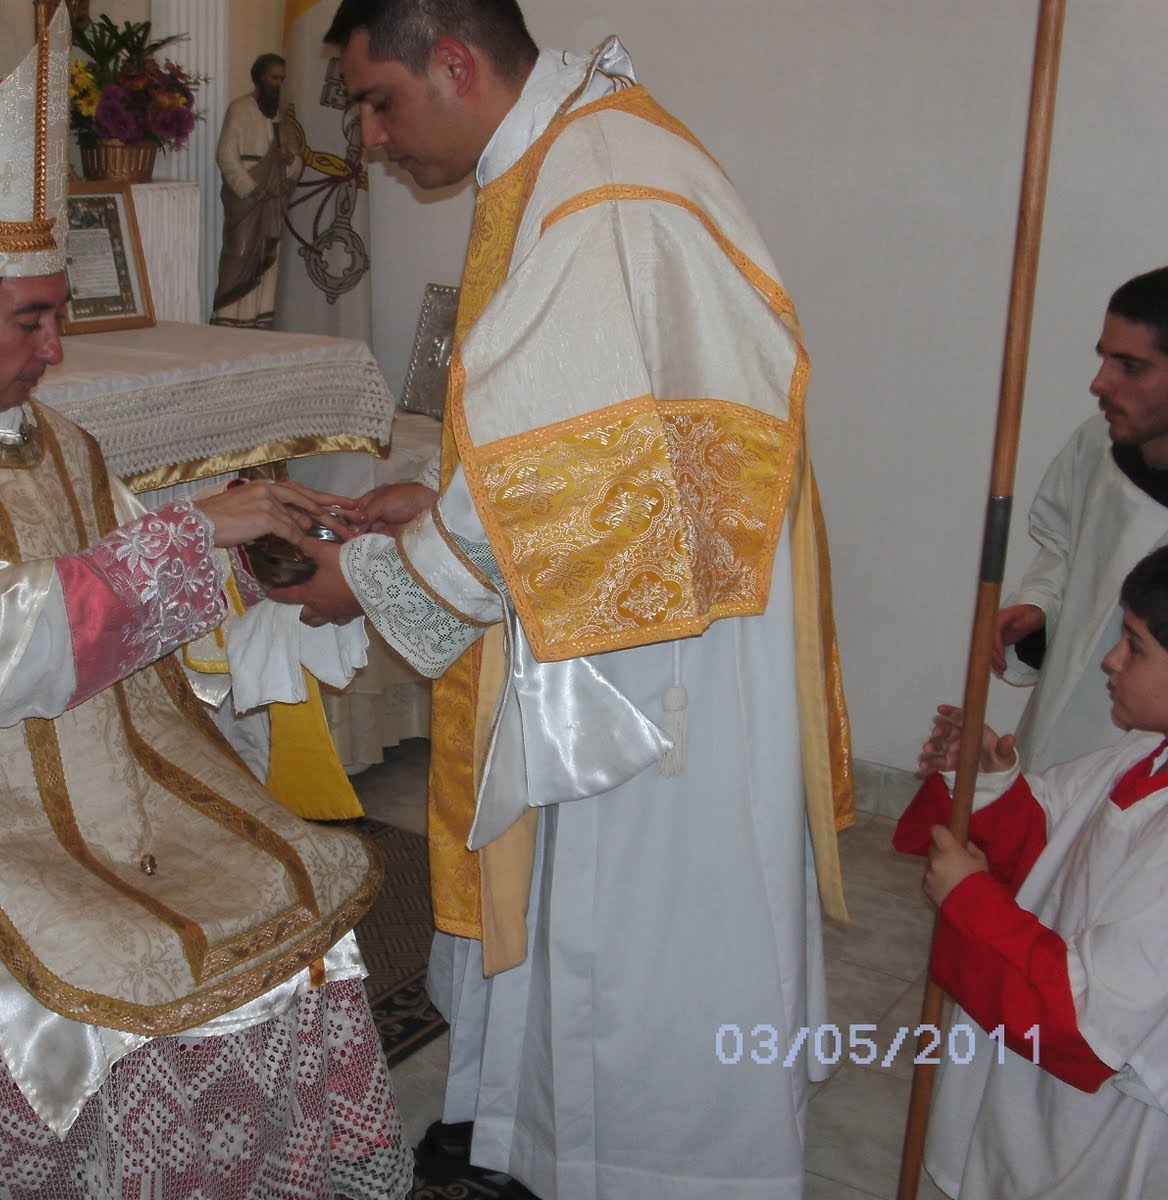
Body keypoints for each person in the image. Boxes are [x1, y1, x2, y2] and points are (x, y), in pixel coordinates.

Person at [0, 9, 411, 1198]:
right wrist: (195, 528)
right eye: (32, 319)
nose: (57, 347)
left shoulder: (52, 442)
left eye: (58, 310)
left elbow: (147, 607)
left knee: (288, 899)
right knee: (121, 981)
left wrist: (273, 579)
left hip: (106, 771)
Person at [274, 2, 855, 1197]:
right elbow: (549, 422)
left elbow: (572, 465)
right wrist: (428, 500)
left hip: (649, 653)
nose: (371, 139)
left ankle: (642, 1164)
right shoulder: (566, 152)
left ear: (454, 60)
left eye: (378, 99)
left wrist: (375, 584)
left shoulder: (597, 185)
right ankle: (515, 1124)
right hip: (618, 601)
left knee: (629, 924)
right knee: (552, 894)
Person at [896, 544, 1168, 1199]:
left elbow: (1086, 1019)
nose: (1110, 659)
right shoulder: (1137, 761)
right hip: (1042, 1082)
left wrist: (970, 897)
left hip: (1108, 1116)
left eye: (1134, 646)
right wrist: (984, 779)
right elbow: (1052, 846)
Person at [992, 267, 1168, 773]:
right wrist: (1037, 607)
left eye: (1130, 367)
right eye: (1105, 358)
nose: (1100, 383)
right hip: (1057, 736)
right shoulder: (1099, 447)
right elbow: (1063, 546)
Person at [210, 54, 302, 329]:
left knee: (267, 254)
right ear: (260, 77)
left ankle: (260, 314)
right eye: (274, 77)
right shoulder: (240, 108)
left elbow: (296, 159)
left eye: (282, 79)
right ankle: (230, 315)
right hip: (248, 198)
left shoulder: (281, 116)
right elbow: (226, 155)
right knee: (239, 252)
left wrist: (288, 161)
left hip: (272, 196)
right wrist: (251, 188)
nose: (278, 84)